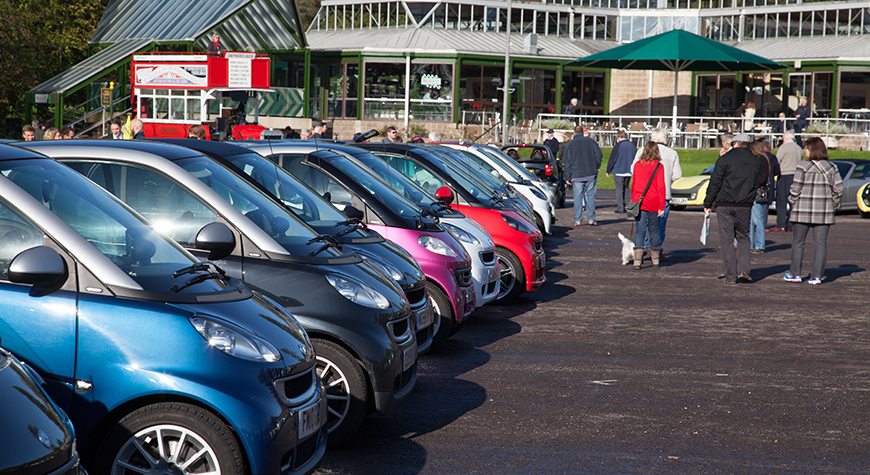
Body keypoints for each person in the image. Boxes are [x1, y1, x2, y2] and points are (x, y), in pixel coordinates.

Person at [703, 133, 768, 284]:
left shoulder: (725, 159)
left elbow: (715, 182)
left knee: (726, 240)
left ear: (735, 144)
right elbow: (759, 180)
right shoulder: (755, 161)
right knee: (744, 237)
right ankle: (743, 270)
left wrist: (708, 203)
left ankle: (730, 275)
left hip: (724, 204)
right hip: (744, 204)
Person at [784, 137, 844, 285]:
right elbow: (839, 190)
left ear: (812, 149)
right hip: (823, 212)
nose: (804, 150)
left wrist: (792, 202)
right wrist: (833, 206)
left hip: (802, 211)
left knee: (798, 242)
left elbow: (795, 189)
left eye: (805, 147)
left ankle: (795, 274)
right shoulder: (832, 167)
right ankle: (816, 276)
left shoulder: (803, 166)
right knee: (820, 244)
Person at [631, 127, 682, 254]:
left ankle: (640, 249)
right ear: (665, 138)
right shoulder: (672, 153)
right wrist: (666, 178)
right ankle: (656, 250)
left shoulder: (641, 151)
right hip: (662, 195)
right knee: (658, 227)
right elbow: (677, 175)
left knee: (641, 226)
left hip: (643, 195)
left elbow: (633, 170)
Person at [630, 141, 666, 269]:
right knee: (654, 231)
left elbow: (633, 184)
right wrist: (662, 205)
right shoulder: (658, 166)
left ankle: (637, 260)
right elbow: (661, 187)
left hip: (640, 201)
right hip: (654, 202)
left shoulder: (638, 165)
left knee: (640, 231)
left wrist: (634, 199)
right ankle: (655, 259)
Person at [562, 124, 602, 226]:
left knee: (578, 198)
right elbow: (599, 154)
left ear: (574, 133)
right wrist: (597, 165)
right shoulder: (591, 141)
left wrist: (567, 177)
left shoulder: (570, 145)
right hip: (590, 173)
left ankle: (578, 220)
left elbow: (566, 162)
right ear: (583, 132)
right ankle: (591, 219)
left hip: (577, 174)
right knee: (591, 196)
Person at [748, 141, 779, 254]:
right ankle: (751, 244)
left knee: (757, 219)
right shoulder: (764, 158)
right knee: (752, 220)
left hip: (756, 191)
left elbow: (761, 177)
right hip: (757, 191)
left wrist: (752, 185)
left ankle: (759, 245)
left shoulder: (760, 159)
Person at [772, 129, 802, 232]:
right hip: (796, 176)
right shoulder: (799, 148)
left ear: (785, 138)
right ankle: (790, 224)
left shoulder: (783, 148)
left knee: (781, 201)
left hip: (784, 175)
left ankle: (781, 224)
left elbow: (777, 161)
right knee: (793, 201)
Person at [606, 129, 635, 214]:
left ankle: (620, 207)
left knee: (619, 189)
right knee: (626, 188)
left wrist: (608, 170)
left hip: (619, 170)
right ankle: (628, 206)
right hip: (629, 171)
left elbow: (612, 158)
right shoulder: (632, 145)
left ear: (619, 137)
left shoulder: (618, 146)